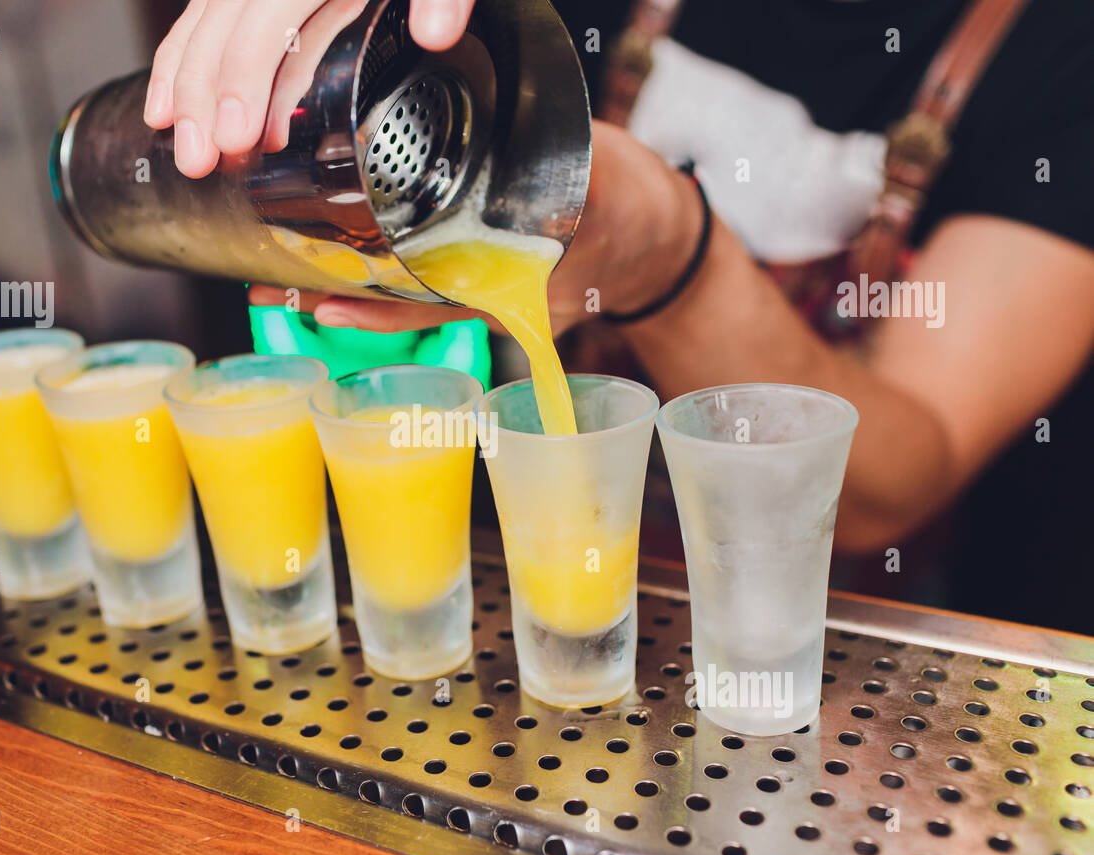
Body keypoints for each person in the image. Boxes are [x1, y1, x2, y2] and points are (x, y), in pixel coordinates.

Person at [143, 0, 1094, 633]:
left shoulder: (1061, 48)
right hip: (507, 604)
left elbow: (889, 488)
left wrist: (674, 254)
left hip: (826, 640)